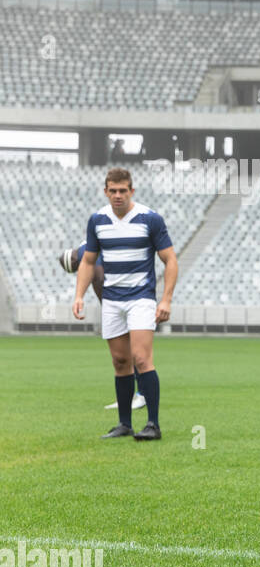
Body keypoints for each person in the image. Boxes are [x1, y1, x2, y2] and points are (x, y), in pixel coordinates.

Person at [72, 167, 178, 441]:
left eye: (123, 190)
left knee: (141, 358)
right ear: (105, 191)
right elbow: (87, 261)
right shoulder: (97, 220)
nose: (118, 195)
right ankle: (124, 424)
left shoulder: (150, 219)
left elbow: (170, 260)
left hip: (141, 297)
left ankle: (153, 424)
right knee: (120, 361)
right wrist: (79, 295)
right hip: (112, 300)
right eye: (113, 190)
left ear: (132, 191)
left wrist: (165, 299)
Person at [60, 242, 145, 412]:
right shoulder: (86, 245)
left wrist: (108, 308)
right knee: (129, 352)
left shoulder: (87, 253)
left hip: (127, 295)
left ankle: (141, 395)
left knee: (132, 351)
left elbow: (98, 277)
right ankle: (132, 396)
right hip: (131, 286)